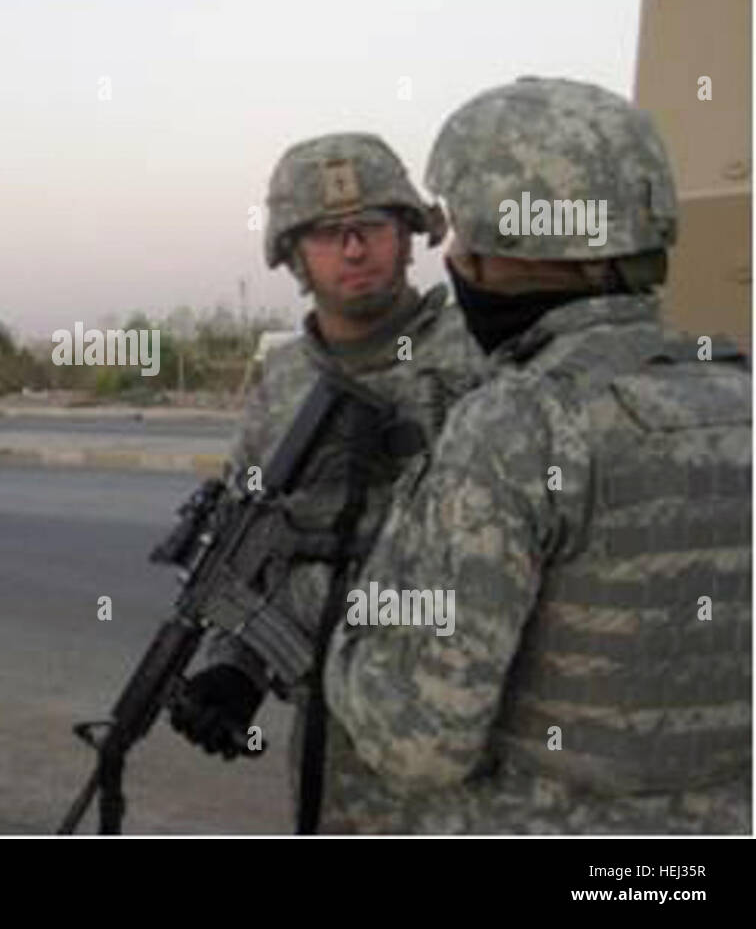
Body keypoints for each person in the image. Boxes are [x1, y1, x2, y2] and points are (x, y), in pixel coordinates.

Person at [325, 77, 752, 833]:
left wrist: (347, 644)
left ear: (503, 243)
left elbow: (420, 742)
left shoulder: (519, 422)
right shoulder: (739, 387)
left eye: (459, 234)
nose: (451, 255)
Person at [168, 133, 483, 831]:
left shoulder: (479, 356)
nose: (352, 249)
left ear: (410, 236)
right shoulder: (282, 382)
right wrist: (236, 665)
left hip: (471, 719)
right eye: (326, 234)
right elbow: (250, 538)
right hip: (334, 735)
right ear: (292, 254)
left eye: (371, 227)